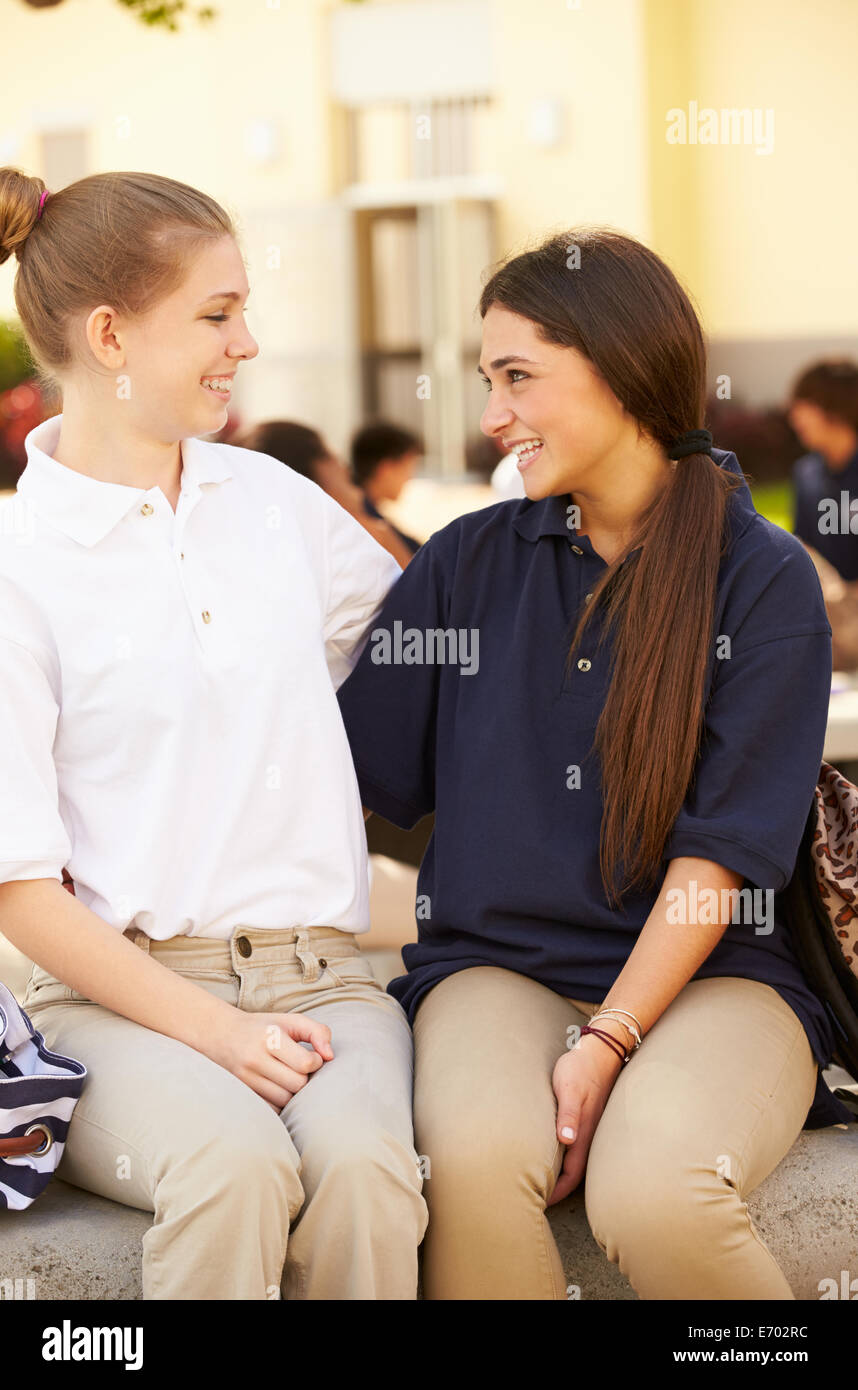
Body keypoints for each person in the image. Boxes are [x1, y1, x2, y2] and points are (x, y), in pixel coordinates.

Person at [335, 227, 855, 1301]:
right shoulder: (466, 562)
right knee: (471, 1168)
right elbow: (345, 776)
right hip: (495, 966)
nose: (490, 416)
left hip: (714, 977)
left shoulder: (758, 580)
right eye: (487, 380)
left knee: (658, 1189)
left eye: (517, 376)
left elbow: (717, 861)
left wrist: (607, 1038)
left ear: (620, 368)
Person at [0, 167, 427, 1297]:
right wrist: (217, 1033)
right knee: (234, 1167)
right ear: (109, 334)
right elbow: (18, 892)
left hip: (327, 980)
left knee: (375, 1170)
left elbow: (431, 649)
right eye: (216, 314)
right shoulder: (11, 571)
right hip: (115, 1001)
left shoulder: (274, 502)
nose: (245, 343)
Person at [235, 419, 415, 569]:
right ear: (309, 474)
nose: (344, 467)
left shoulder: (268, 554)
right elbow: (426, 599)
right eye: (328, 454)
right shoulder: (360, 539)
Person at [789, 359, 858, 582]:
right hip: (826, 609)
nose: (794, 417)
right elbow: (802, 548)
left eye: (805, 403)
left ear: (836, 406)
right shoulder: (805, 473)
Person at [350, 421, 423, 559]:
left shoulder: (364, 512)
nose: (410, 477)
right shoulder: (368, 521)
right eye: (408, 467)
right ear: (386, 468)